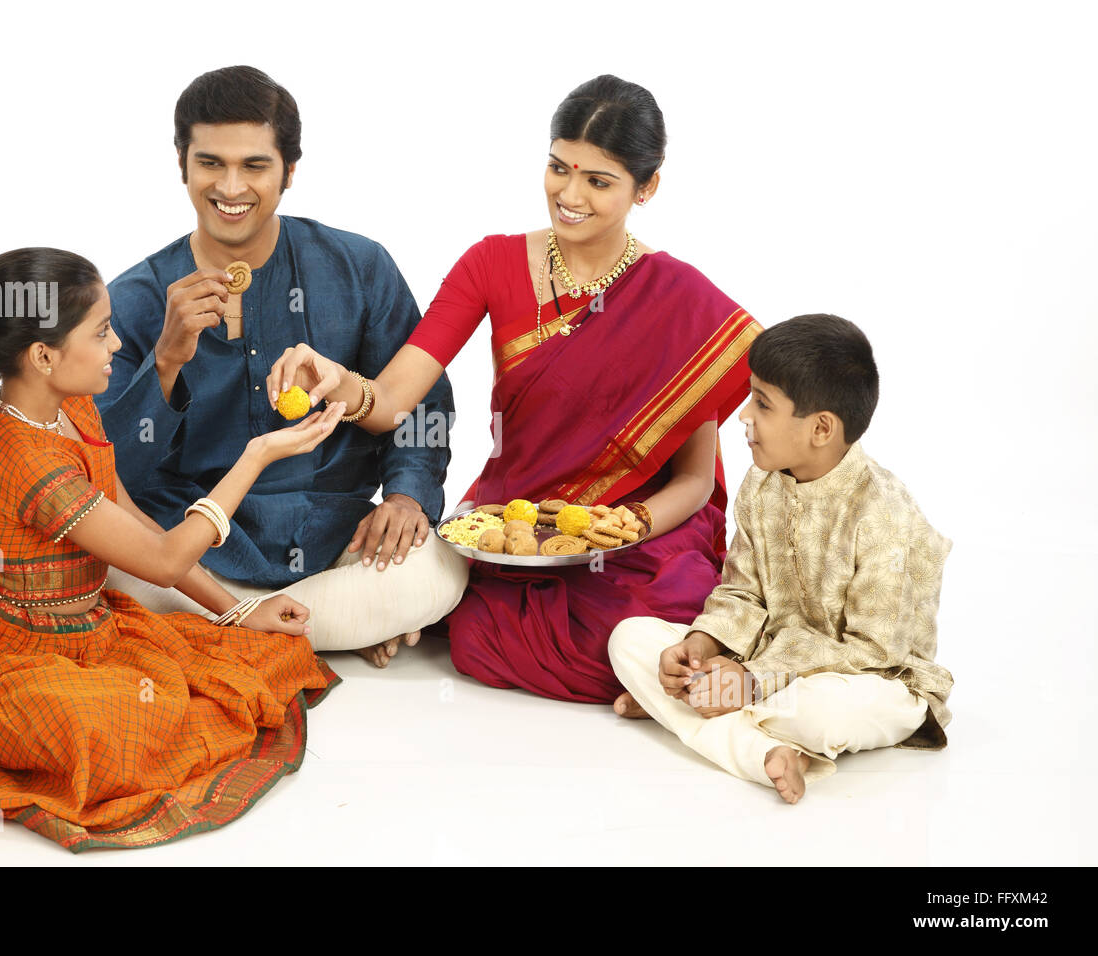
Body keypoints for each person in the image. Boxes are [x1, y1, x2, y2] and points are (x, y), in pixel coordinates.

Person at [269, 75, 760, 702]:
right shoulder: (491, 263)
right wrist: (340, 382)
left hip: (637, 535)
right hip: (516, 527)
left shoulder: (679, 300)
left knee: (664, 611)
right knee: (469, 624)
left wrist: (622, 524)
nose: (570, 195)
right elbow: (393, 401)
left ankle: (659, 671)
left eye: (598, 181)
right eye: (559, 168)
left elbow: (693, 482)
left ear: (648, 186)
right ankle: (649, 680)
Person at [0, 248, 345, 851]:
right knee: (106, 734)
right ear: (44, 356)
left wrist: (237, 610)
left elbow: (136, 524)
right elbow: (162, 562)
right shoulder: (27, 460)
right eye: (101, 332)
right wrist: (256, 456)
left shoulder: (69, 406)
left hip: (90, 627)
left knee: (257, 659)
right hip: (16, 657)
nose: (116, 344)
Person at [95, 66, 466, 668]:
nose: (230, 186)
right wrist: (165, 361)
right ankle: (317, 627)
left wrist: (403, 499)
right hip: (191, 555)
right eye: (210, 163)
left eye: (255, 165)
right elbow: (104, 471)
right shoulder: (135, 297)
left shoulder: (358, 267)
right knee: (114, 574)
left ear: (290, 171)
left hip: (336, 534)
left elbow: (421, 403)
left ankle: (238, 634)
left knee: (437, 572)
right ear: (182, 165)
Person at [607, 314, 954, 805]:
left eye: (762, 404)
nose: (745, 415)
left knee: (819, 713)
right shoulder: (762, 484)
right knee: (630, 639)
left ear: (820, 429)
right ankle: (768, 746)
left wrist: (751, 681)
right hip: (760, 663)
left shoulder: (885, 515)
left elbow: (876, 653)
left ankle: (707, 722)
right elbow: (742, 592)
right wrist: (703, 647)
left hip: (874, 684)